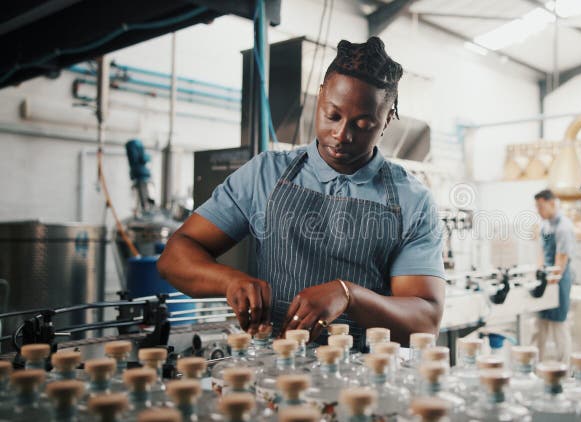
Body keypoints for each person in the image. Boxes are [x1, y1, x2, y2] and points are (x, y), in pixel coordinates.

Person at [158, 37, 445, 348]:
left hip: (364, 378)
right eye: (332, 115)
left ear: (387, 119)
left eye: (362, 124)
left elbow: (425, 321)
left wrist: (350, 296)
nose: (341, 134)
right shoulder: (265, 174)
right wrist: (230, 281)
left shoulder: (410, 200)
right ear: (320, 97)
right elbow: (174, 257)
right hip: (274, 369)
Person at [532, 189, 576, 363]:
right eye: (536, 207)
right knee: (539, 325)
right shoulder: (545, 225)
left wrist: (552, 281)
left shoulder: (564, 227)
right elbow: (542, 252)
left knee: (559, 325)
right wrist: (539, 274)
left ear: (552, 203)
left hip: (559, 280)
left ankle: (563, 369)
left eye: (541, 207)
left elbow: (561, 259)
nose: (538, 211)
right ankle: (534, 365)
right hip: (546, 278)